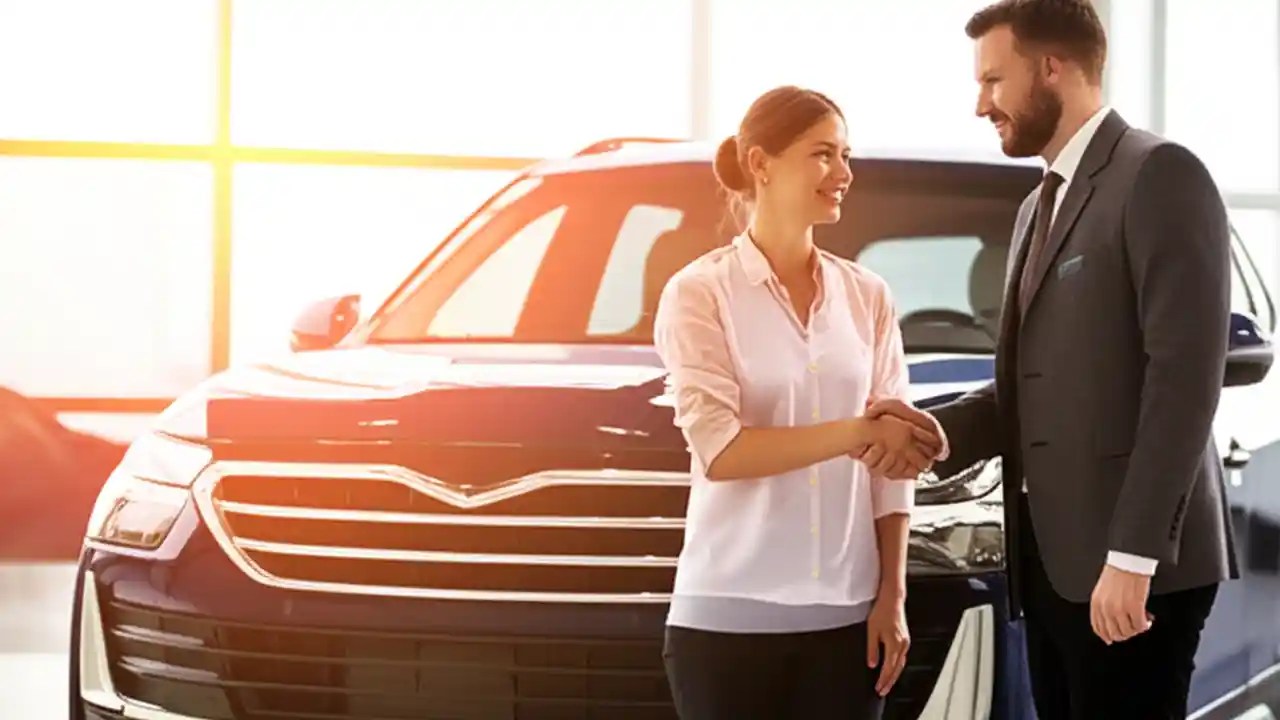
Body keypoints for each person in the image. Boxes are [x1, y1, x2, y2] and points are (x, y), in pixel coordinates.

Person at [868, 1, 1237, 717]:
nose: (981, 105)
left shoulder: (1160, 174)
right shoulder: (1038, 206)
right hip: (1053, 566)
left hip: (1131, 569)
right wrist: (936, 432)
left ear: (1051, 68)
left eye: (993, 81)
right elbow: (1030, 387)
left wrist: (1133, 558)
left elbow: (1184, 380)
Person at [652, 85, 949, 719]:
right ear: (761, 164)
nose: (843, 174)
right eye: (823, 155)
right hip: (726, 625)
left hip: (849, 624)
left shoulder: (867, 296)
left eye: (846, 156)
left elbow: (891, 468)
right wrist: (857, 433)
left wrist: (891, 595)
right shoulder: (700, 294)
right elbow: (722, 451)